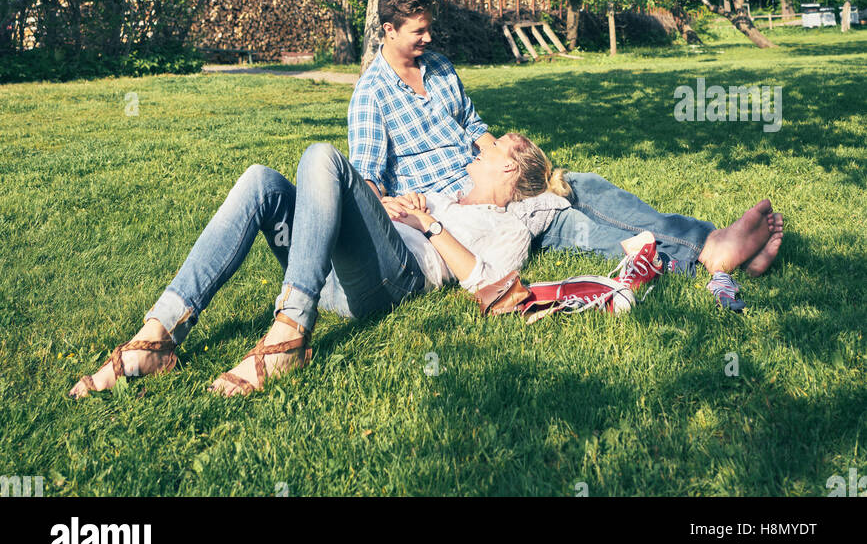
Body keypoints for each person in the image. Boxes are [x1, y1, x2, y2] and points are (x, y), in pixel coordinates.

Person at [69, 132, 572, 400]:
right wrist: (396, 205)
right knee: (261, 180)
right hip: (336, 267)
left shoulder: (512, 226)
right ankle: (160, 334)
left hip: (392, 280)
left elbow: (489, 287)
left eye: (495, 145)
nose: (481, 146)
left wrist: (431, 227)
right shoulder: (450, 197)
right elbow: (388, 214)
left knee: (321, 156)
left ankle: (289, 333)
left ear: (510, 165)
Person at [348, 0, 784, 279]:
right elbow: (365, 177)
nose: (428, 39)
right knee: (571, 225)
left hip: (488, 176)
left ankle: (705, 237)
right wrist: (402, 210)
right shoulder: (372, 95)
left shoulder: (439, 67)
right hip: (457, 206)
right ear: (388, 30)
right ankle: (706, 254)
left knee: (582, 185)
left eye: (429, 29)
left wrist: (507, 163)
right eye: (418, 32)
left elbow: (472, 124)